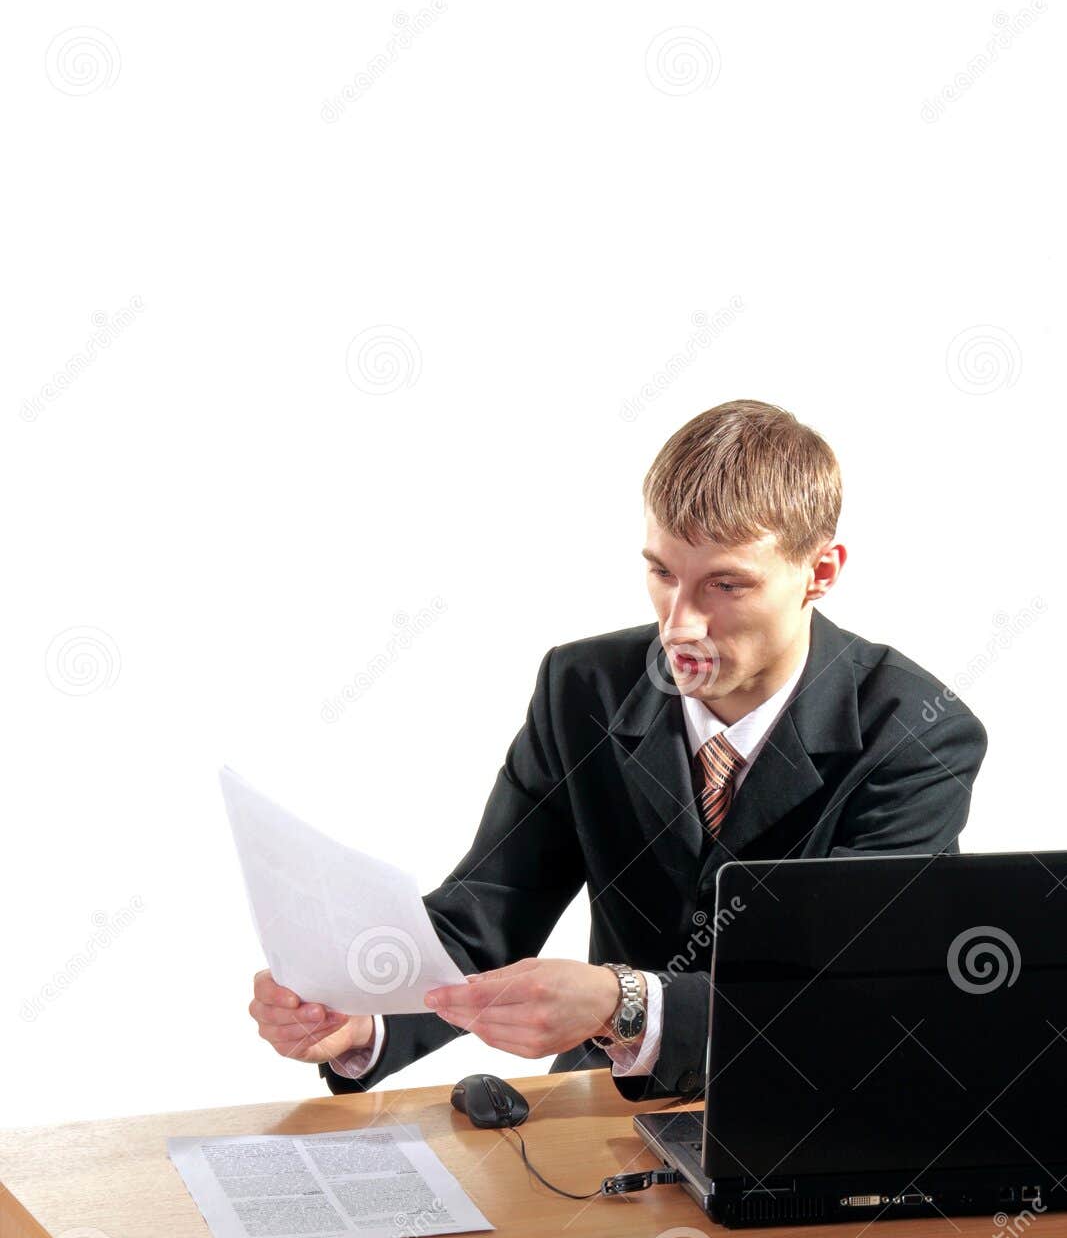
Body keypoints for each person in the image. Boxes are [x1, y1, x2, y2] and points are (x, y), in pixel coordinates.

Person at [249, 399, 988, 1104]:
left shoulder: (916, 731)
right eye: (662, 573)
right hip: (600, 1103)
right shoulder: (582, 688)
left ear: (819, 574)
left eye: (725, 584)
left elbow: (850, 989)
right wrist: (361, 1013)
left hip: (809, 1109)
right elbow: (493, 907)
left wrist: (624, 1003)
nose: (680, 625)